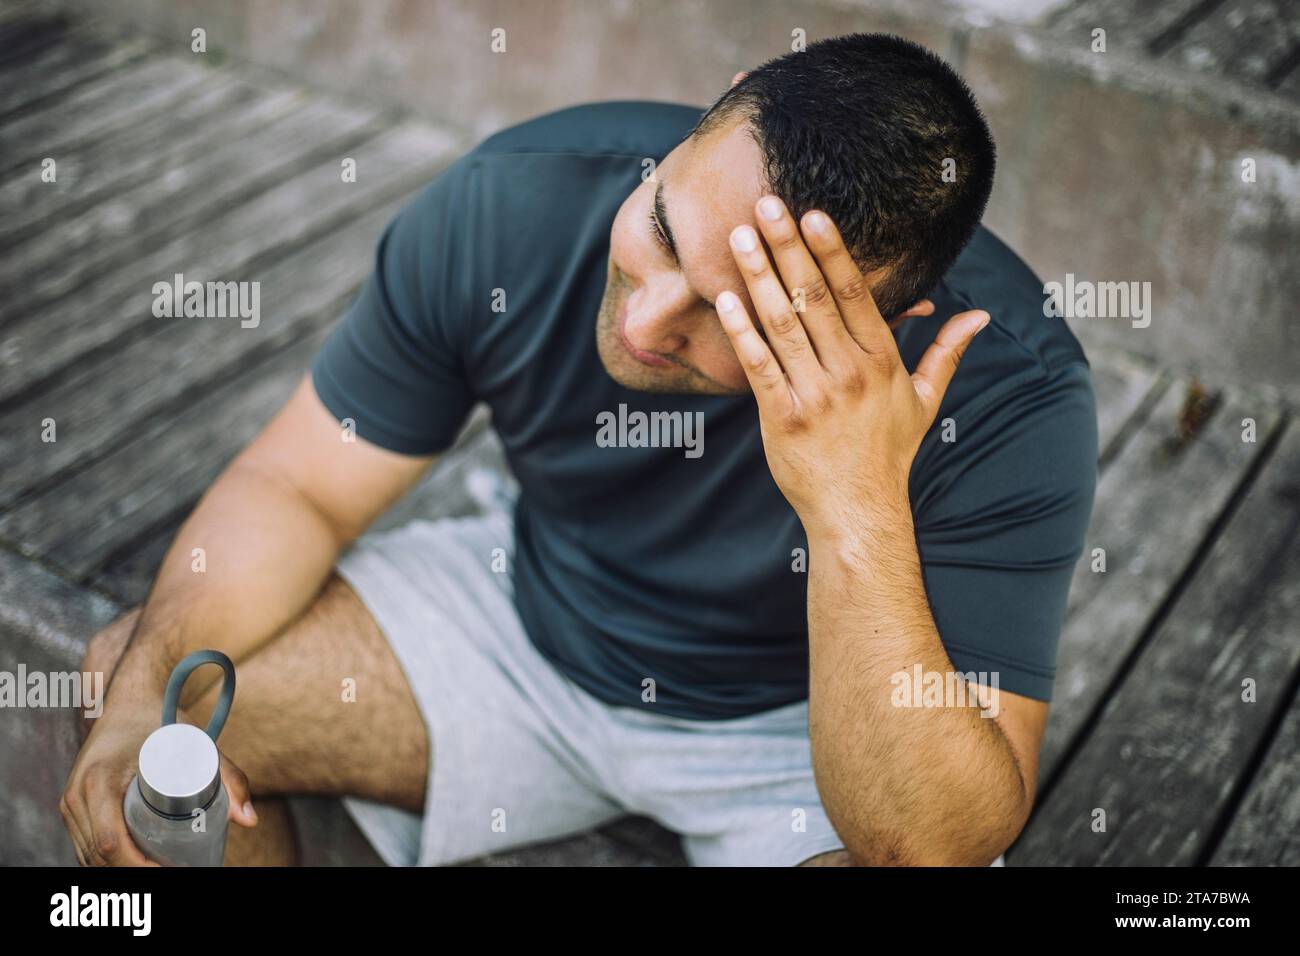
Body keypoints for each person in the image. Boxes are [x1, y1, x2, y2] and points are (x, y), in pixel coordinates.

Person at [64, 33, 1097, 867]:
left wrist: (853, 499)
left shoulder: (1014, 385)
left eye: (742, 321)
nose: (649, 321)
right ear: (717, 108)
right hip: (529, 627)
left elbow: (933, 843)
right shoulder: (509, 203)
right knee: (146, 694)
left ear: (893, 321)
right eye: (662, 227)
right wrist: (141, 696)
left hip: (798, 725)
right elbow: (296, 484)